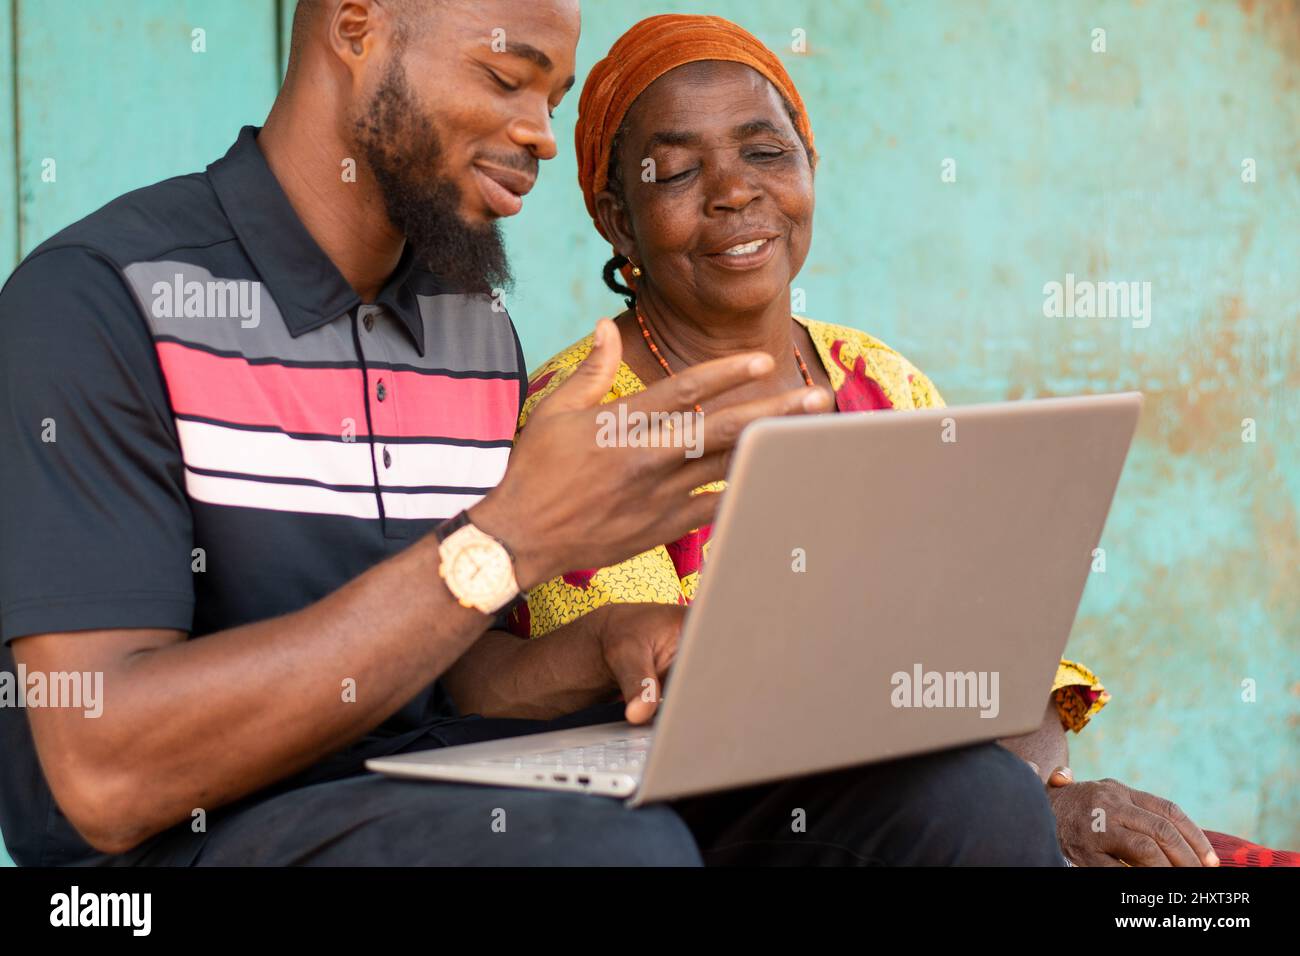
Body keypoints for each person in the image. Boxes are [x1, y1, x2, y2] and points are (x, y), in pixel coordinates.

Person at [0, 0, 822, 867]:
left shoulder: (466, 324)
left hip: (429, 802)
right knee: (611, 850)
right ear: (356, 29)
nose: (542, 135)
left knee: (931, 797)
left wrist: (613, 646)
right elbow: (104, 773)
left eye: (553, 97)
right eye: (507, 78)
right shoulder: (98, 305)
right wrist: (511, 539)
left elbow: (447, 680)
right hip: (163, 864)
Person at [486, 12, 1274, 868]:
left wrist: (1053, 799)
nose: (734, 193)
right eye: (676, 170)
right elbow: (689, 716)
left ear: (809, 169)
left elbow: (992, 639)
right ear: (618, 220)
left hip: (958, 808)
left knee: (1213, 890)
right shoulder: (579, 418)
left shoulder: (878, 379)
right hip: (731, 835)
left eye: (765, 152)